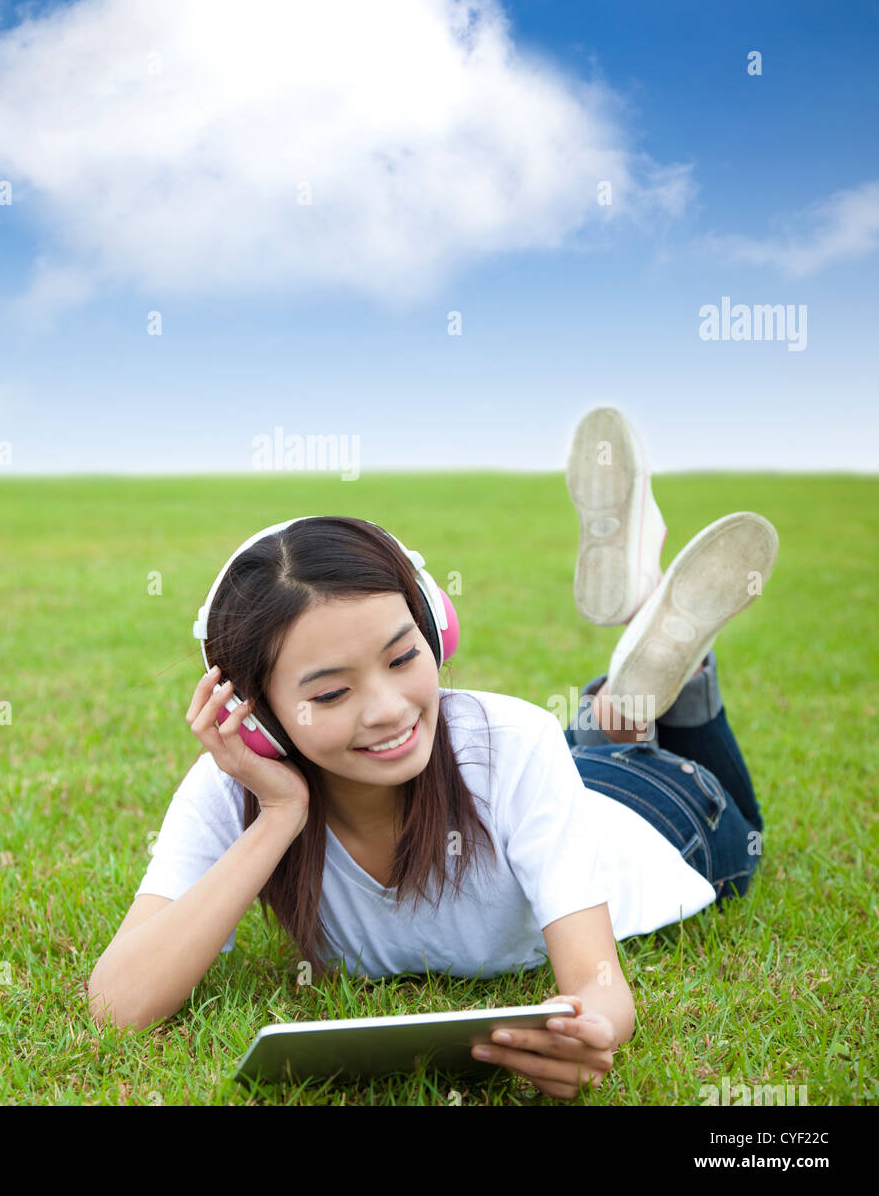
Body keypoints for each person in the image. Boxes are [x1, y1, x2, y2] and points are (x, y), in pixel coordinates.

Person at [87, 406, 779, 1101]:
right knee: (572, 745)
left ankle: (663, 674)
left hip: (659, 819)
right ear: (258, 717)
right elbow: (118, 1006)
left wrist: (590, 1034)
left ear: (435, 632)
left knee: (729, 817)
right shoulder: (232, 786)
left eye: (401, 657)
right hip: (549, 779)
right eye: (329, 695)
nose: (386, 708)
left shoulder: (511, 742)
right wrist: (275, 814)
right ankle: (617, 697)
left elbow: (598, 984)